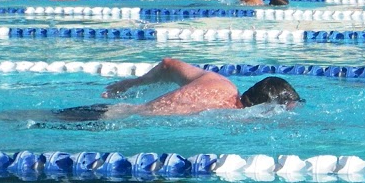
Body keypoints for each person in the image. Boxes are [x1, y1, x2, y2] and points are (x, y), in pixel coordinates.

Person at [54, 58, 303, 121]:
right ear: (266, 106)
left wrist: (132, 83)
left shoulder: (219, 83)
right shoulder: (233, 117)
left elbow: (168, 64)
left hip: (112, 111)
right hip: (110, 121)